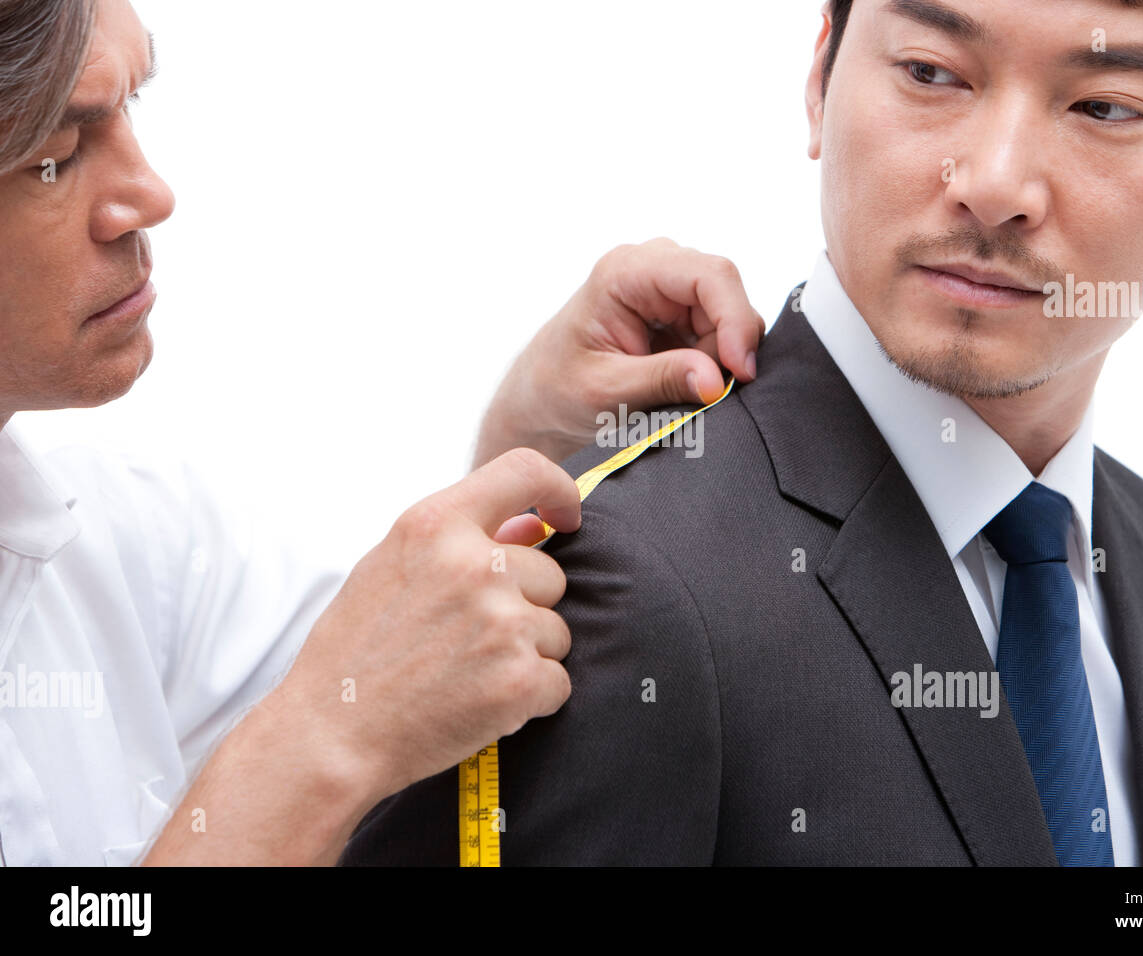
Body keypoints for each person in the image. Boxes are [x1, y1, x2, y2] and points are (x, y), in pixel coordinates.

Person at [343, 0, 1143, 866]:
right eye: (931, 72)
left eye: (1106, 108)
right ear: (821, 76)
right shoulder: (617, 585)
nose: (994, 186)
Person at [0, 0, 766, 866]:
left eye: (131, 106)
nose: (150, 195)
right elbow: (348, 707)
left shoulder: (118, 543)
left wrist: (526, 444)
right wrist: (325, 742)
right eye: (58, 156)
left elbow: (404, 663)